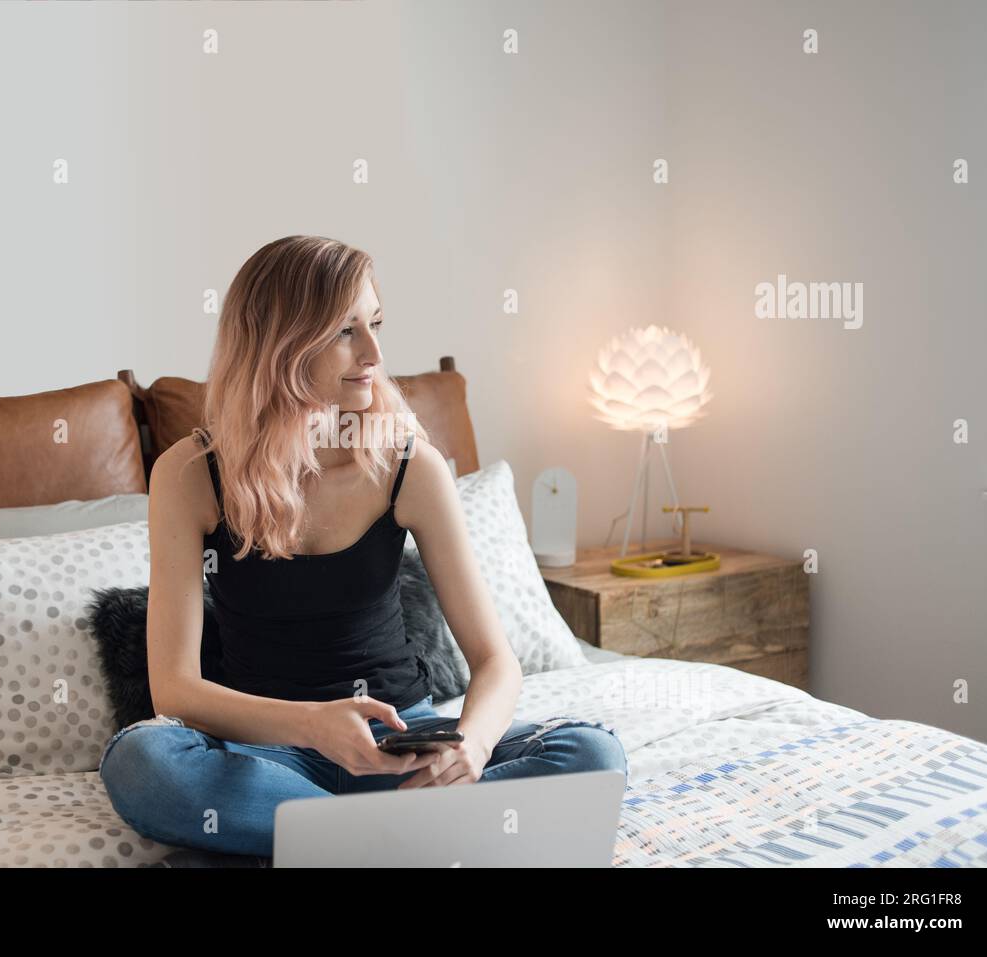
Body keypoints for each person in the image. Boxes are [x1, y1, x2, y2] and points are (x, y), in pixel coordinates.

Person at [99, 235, 626, 859]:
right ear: (280, 345)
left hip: (403, 745)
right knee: (141, 762)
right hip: (269, 760)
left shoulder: (408, 466)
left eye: (375, 325)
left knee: (593, 753)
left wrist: (471, 749)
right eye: (345, 332)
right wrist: (312, 725)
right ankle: (395, 843)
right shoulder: (190, 475)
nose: (374, 353)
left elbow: (495, 662)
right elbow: (177, 692)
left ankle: (339, 843)